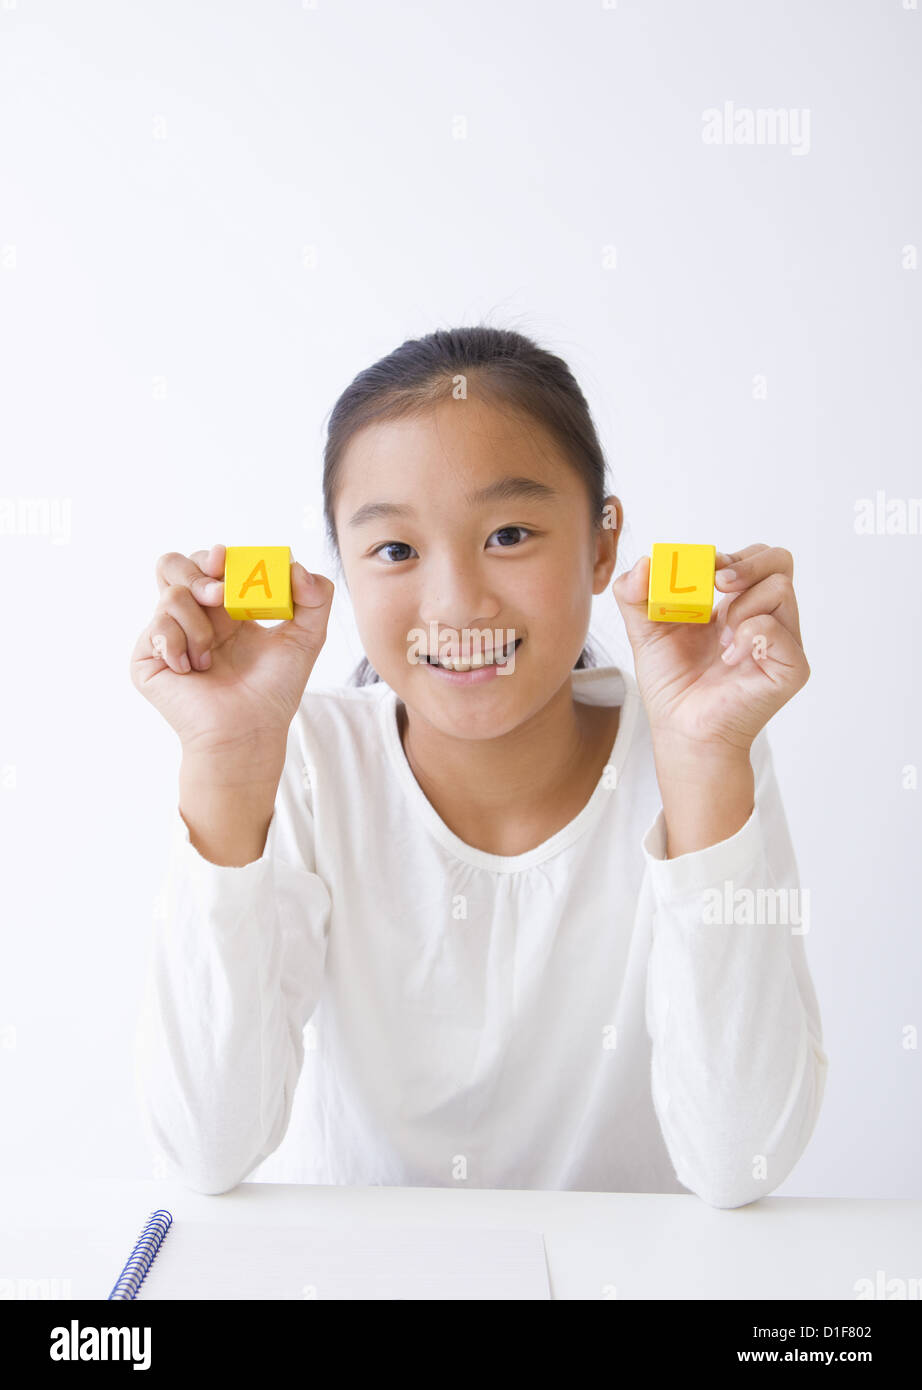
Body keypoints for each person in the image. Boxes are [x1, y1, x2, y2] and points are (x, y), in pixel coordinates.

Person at [129, 325, 827, 1206]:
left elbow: (740, 1164)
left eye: (508, 534)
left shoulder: (695, 747)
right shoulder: (303, 758)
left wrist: (704, 761)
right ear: (342, 562)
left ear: (603, 543)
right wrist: (225, 767)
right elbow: (204, 1151)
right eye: (395, 550)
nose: (456, 600)